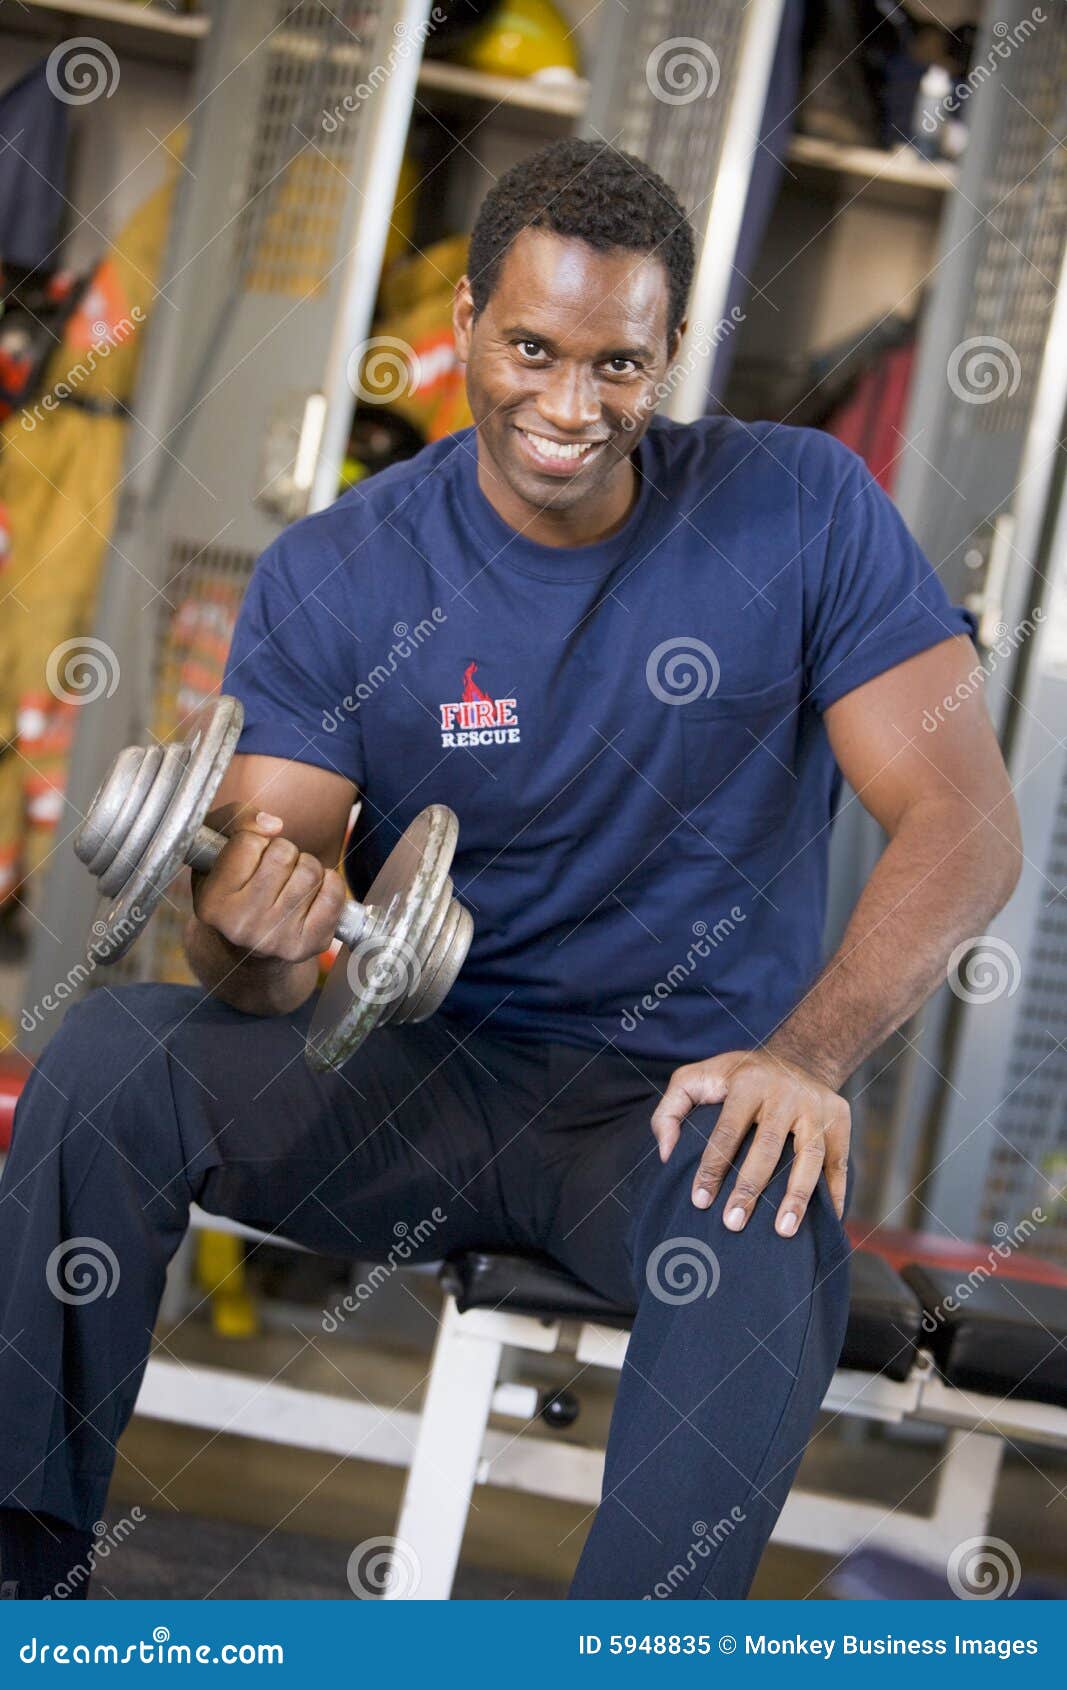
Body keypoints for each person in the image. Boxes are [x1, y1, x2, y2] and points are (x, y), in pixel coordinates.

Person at [0, 139, 1020, 1600]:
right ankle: (23, 1581)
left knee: (765, 1209)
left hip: (676, 1110)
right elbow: (263, 915)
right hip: (415, 1080)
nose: (568, 403)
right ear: (467, 322)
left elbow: (965, 819)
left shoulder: (798, 510)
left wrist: (807, 1057)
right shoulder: (343, 569)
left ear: (670, 356)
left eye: (618, 362)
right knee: (107, 1059)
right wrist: (253, 926)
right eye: (532, 346)